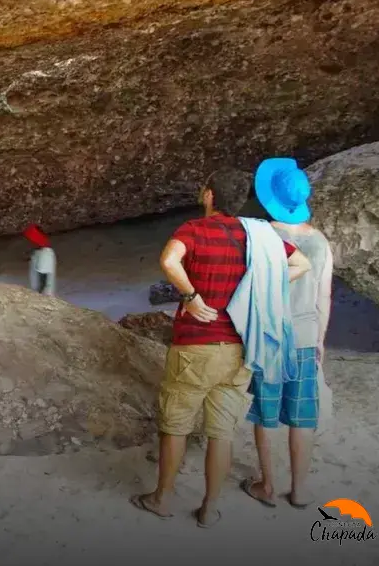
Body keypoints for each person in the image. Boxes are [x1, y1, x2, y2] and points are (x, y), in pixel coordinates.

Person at [130, 168, 311, 528]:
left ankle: (161, 498)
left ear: (209, 195)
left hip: (197, 344)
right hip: (241, 347)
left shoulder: (194, 230)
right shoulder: (259, 235)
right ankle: (210, 509)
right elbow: (301, 264)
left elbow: (169, 261)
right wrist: (261, 287)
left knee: (176, 426)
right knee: (222, 433)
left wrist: (191, 296)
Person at [240, 158, 333, 510]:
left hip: (271, 337)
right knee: (302, 416)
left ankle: (267, 485)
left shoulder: (263, 235)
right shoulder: (321, 242)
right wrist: (321, 339)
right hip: (307, 334)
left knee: (266, 413)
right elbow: (323, 296)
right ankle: (300, 490)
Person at [24, 224, 56, 297]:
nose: (29, 243)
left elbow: (44, 281)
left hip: (44, 295)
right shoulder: (39, 252)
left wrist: (37, 295)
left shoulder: (45, 254)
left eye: (30, 240)